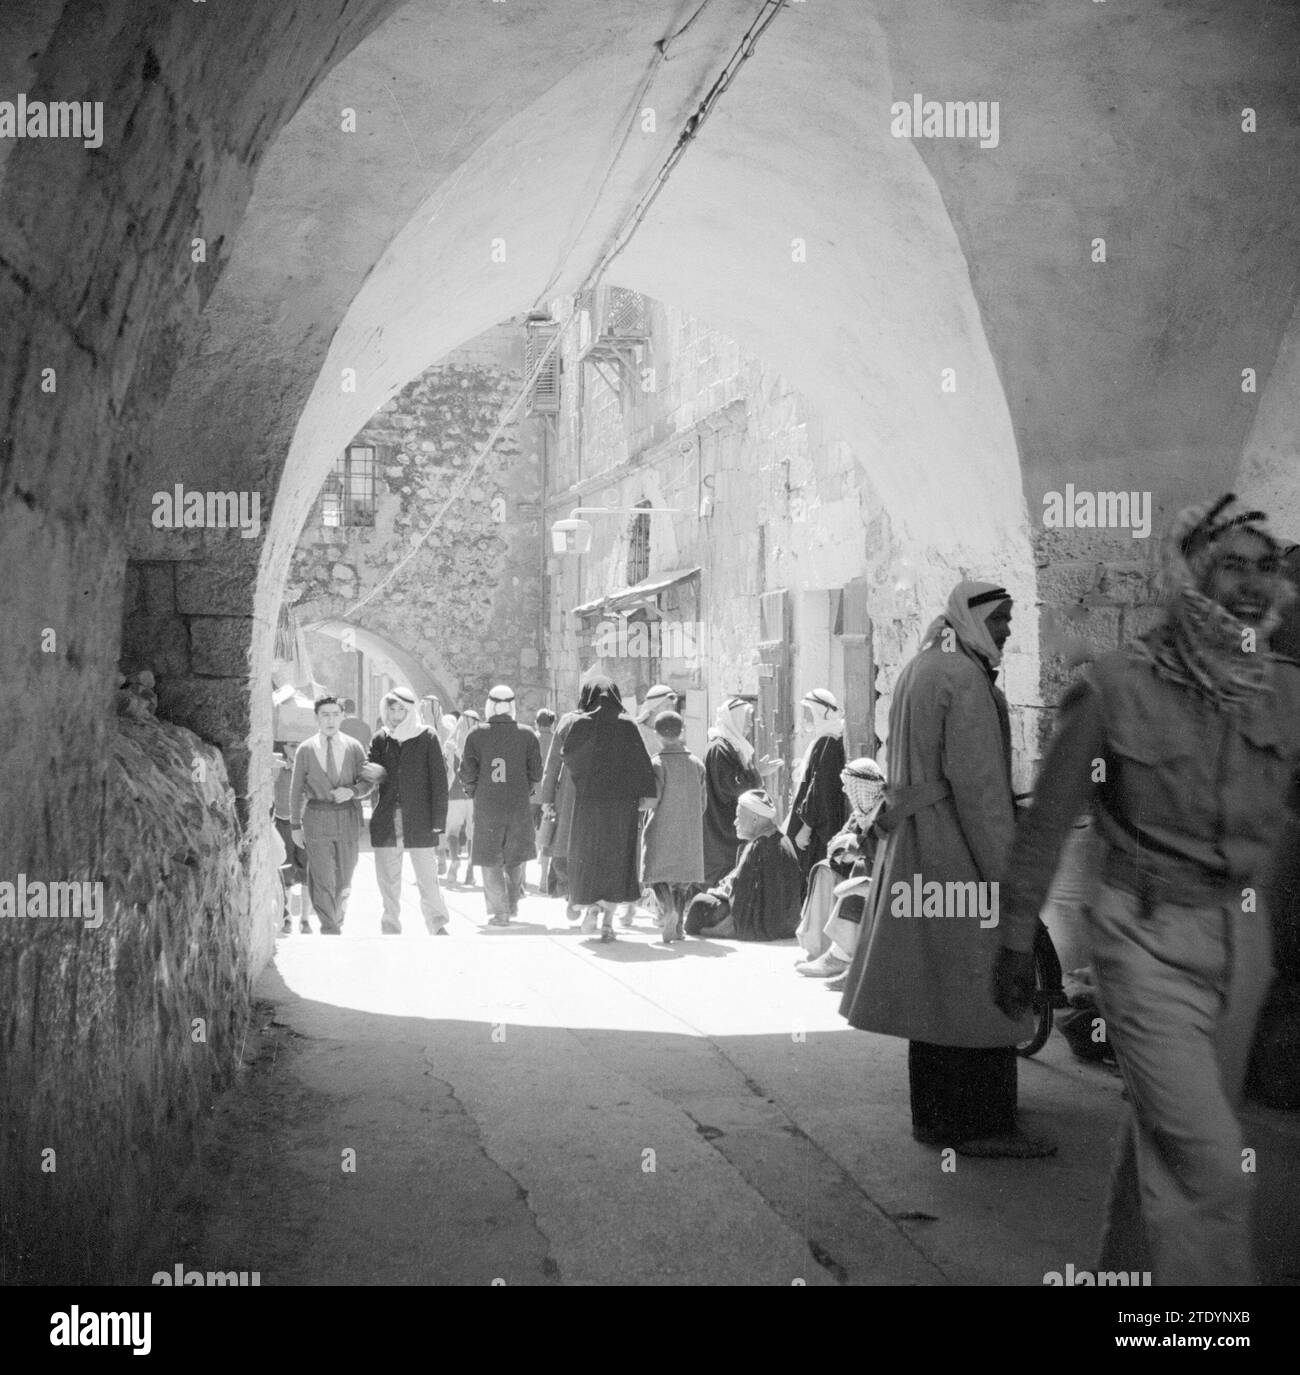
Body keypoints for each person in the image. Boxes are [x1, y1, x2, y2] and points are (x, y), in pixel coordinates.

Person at [997, 496, 1300, 1283]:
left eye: (1263, 566)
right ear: (1192, 573)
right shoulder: (1115, 687)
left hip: (1240, 946)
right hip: (1143, 940)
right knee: (1212, 1168)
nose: (1249, 584)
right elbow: (1046, 820)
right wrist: (1010, 940)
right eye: (1229, 563)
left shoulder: (1283, 693)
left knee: (1164, 1149)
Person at [838, 579, 1054, 1158]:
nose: (1008, 628)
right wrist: (1009, 884)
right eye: (1003, 618)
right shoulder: (964, 679)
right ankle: (980, 1126)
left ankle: (935, 1118)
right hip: (955, 852)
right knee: (976, 986)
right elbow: (980, 792)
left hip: (918, 847)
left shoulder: (924, 666)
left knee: (933, 989)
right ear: (973, 617)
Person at [562, 675, 657, 941]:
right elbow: (642, 762)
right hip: (621, 806)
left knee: (589, 855)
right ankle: (608, 921)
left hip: (590, 805)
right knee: (618, 858)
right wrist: (643, 794)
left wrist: (588, 778)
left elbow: (568, 758)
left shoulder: (581, 723)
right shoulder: (627, 725)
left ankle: (591, 906)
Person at [363, 687, 450, 936]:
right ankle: (390, 924)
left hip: (420, 820)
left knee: (426, 876)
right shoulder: (381, 739)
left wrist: (438, 822)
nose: (396, 713)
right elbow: (372, 772)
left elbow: (439, 782)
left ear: (410, 710)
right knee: (387, 879)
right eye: (391, 708)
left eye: (401, 708)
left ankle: (437, 922)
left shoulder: (427, 737)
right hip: (388, 819)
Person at [795, 755, 886, 977]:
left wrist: (859, 849)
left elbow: (886, 845)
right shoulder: (859, 814)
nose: (845, 791)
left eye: (849, 786)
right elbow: (838, 841)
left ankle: (841, 954)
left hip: (882, 871)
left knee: (859, 873)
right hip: (859, 865)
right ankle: (819, 947)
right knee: (823, 869)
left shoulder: (885, 810)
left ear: (863, 787)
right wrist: (841, 853)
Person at [290, 695, 374, 935]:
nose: (330, 719)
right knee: (322, 873)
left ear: (342, 717)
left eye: (335, 714)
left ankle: (338, 913)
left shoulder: (353, 747)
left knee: (346, 874)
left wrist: (352, 791)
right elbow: (296, 790)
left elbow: (368, 781)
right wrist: (296, 825)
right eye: (325, 714)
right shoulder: (306, 749)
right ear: (316, 718)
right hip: (316, 817)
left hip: (347, 817)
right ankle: (329, 924)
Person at [459, 686, 543, 926]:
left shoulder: (476, 734)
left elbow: (467, 773)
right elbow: (536, 772)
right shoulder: (527, 735)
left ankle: (500, 912)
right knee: (515, 857)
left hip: (487, 805)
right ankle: (513, 903)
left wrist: (475, 791)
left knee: (489, 859)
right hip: (517, 804)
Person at [684, 788, 802, 940]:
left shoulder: (757, 846)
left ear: (755, 819)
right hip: (786, 924)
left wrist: (719, 891)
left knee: (700, 903)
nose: (735, 822)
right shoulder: (782, 839)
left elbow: (739, 896)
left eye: (739, 817)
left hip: (764, 924)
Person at [640, 710, 707, 943]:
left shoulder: (658, 763)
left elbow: (651, 799)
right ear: (682, 732)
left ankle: (668, 911)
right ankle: (678, 927)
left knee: (657, 874)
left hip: (662, 829)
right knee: (681, 881)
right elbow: (703, 803)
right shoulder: (697, 764)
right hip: (689, 832)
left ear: (657, 735)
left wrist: (635, 804)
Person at [786, 688, 849, 895]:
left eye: (810, 712)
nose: (806, 718)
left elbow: (819, 789)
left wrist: (806, 828)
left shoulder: (828, 742)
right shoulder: (825, 740)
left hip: (816, 831)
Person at [702, 697, 763, 884]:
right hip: (722, 830)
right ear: (734, 719)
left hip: (727, 827)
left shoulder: (731, 746)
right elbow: (732, 787)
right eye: (746, 720)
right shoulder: (719, 749)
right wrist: (755, 773)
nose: (750, 726)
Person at [539, 690, 585, 918]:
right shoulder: (605, 722)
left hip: (568, 793)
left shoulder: (567, 721)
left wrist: (546, 799)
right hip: (595, 794)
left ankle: (570, 893)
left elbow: (552, 766)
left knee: (564, 844)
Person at [273, 741, 314, 934]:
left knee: (307, 872)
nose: (294, 749)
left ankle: (305, 919)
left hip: (306, 824)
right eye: (290, 745)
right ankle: (286, 916)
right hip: (283, 822)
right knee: (285, 870)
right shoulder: (278, 765)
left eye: (298, 744)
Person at [441, 711, 476, 885]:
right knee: (472, 833)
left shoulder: (450, 745)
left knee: (453, 830)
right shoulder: (480, 745)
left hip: (454, 795)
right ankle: (470, 868)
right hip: (473, 796)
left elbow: (446, 772)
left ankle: (454, 859)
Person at [532, 707, 556, 892]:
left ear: (537, 723)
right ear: (552, 724)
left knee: (528, 836)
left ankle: (522, 880)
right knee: (547, 837)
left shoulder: (531, 738)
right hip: (549, 796)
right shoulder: (558, 740)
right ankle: (543, 879)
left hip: (531, 796)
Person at [634, 683, 678, 755]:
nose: (671, 711)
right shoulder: (637, 733)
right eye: (667, 706)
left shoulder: (671, 734)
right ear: (654, 707)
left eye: (672, 707)